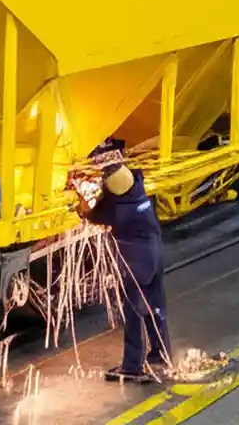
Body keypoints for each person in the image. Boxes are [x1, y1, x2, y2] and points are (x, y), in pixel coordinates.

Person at [78, 138, 171, 384]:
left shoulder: (116, 210)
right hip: (156, 253)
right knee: (156, 309)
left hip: (135, 262)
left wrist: (80, 200)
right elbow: (127, 172)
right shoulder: (138, 188)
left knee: (132, 314)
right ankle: (161, 357)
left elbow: (89, 214)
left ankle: (132, 366)